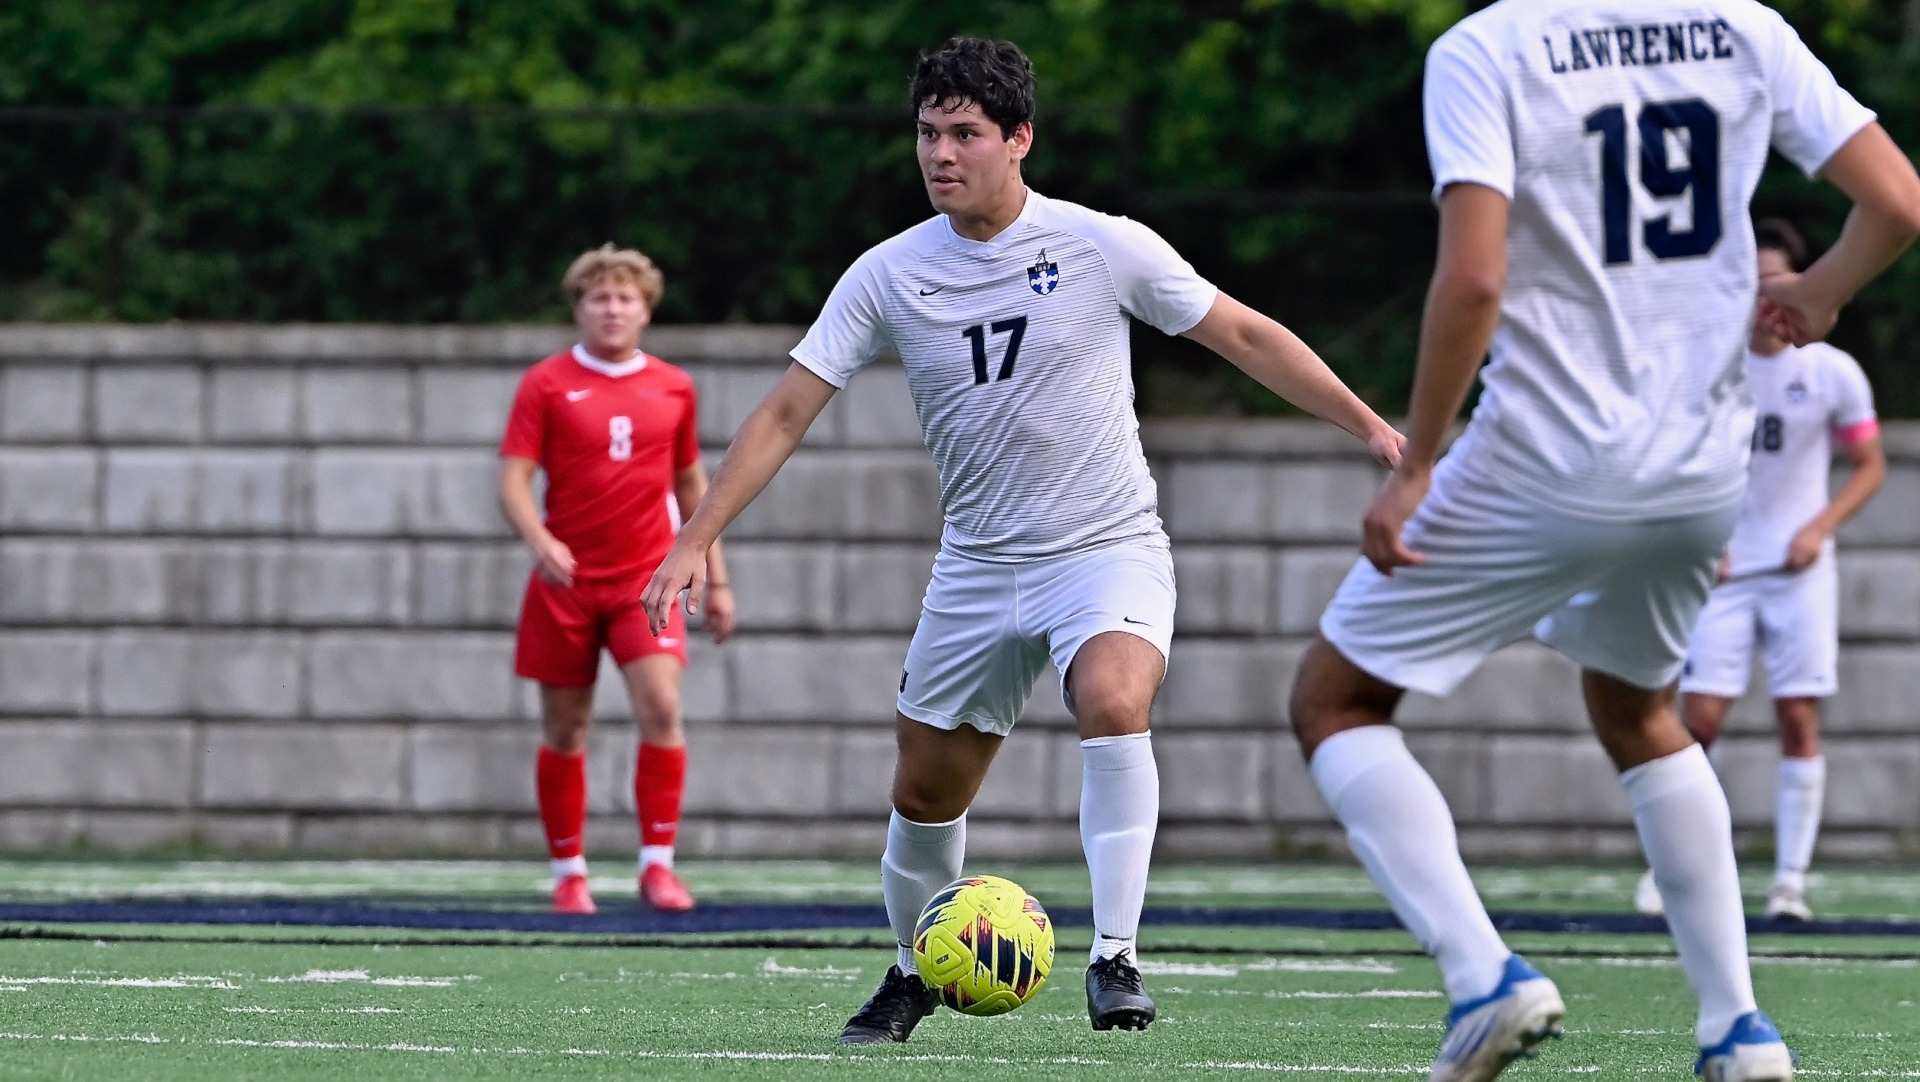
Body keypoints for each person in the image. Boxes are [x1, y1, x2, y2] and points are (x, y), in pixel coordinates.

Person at [641, 37, 1402, 1044]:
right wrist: (698, 532)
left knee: (1114, 698)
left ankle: (1116, 954)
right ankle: (911, 968)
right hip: (978, 564)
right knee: (924, 788)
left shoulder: (1102, 242)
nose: (940, 153)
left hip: (1106, 545)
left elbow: (1246, 335)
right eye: (927, 133)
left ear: (1019, 139)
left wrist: (1374, 429)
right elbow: (786, 412)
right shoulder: (888, 273)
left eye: (964, 134)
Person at [1283, 2, 1920, 1079]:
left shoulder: (1486, 46)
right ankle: (1739, 1029)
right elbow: (1897, 201)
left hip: (1545, 451)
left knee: (1334, 698)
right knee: (1640, 708)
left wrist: (1420, 460)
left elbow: (1476, 277)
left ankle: (1483, 975)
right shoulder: (1743, 28)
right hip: (1701, 471)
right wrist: (1820, 292)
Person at [1634, 219, 1886, 924]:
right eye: (1753, 282)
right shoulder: (1707, 366)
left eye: (1778, 281)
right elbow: (1673, 457)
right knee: (1697, 721)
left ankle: (1789, 883)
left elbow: (1869, 464)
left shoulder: (1831, 371)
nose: (1765, 297)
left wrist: (1816, 528)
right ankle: (1670, 870)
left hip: (1800, 571)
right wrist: (1701, 539)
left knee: (1797, 718)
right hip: (1722, 569)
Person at [499, 244, 736, 916]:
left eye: (624, 297)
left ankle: (657, 866)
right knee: (566, 728)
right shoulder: (545, 383)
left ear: (645, 310)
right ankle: (569, 871)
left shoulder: (673, 386)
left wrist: (714, 578)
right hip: (566, 583)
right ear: (579, 308)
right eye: (599, 297)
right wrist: (539, 540)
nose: (612, 308)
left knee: (662, 708)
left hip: (646, 580)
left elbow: (691, 483)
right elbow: (512, 476)